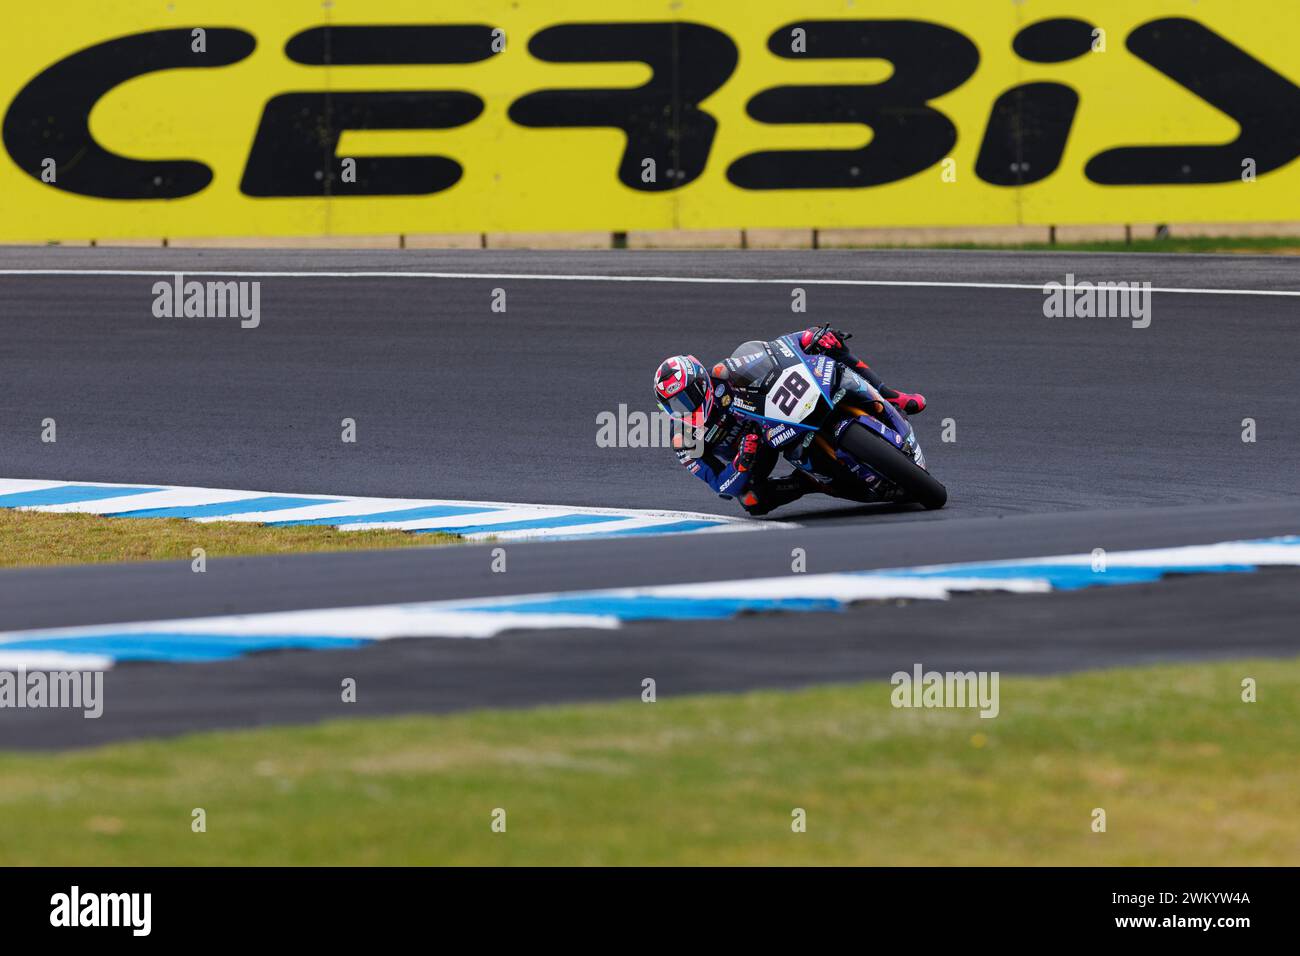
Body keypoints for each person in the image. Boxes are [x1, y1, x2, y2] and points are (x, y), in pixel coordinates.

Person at [652, 327, 926, 516]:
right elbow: (721, 486)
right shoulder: (684, 440)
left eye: (687, 399)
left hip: (777, 413)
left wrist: (808, 336)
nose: (684, 409)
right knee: (752, 501)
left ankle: (892, 397)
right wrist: (741, 463)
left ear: (701, 382)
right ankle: (811, 482)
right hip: (756, 452)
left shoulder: (724, 372)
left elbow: (777, 350)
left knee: (829, 344)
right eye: (674, 405)